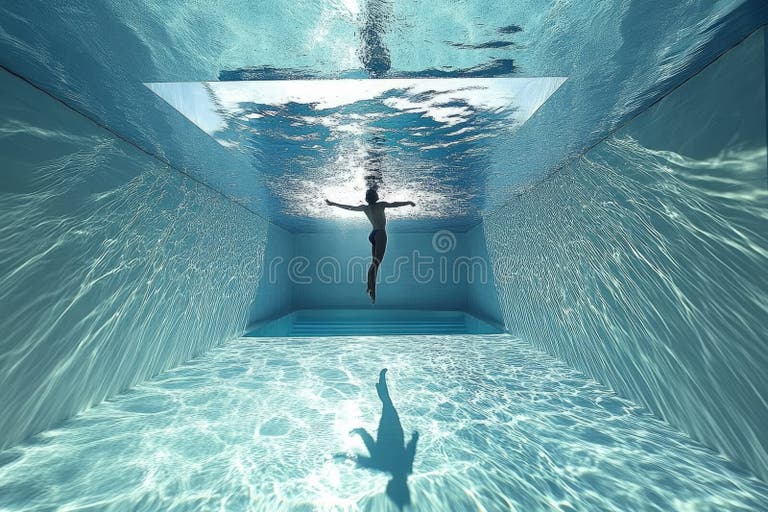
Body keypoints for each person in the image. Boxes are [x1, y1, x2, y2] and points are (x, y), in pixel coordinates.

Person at [338, 369, 419, 510]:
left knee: (388, 405)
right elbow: (362, 456)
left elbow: (410, 451)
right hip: (389, 431)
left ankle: (381, 384)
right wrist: (360, 434)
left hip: (393, 431)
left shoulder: (404, 468)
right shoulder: (382, 465)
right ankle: (381, 385)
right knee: (387, 405)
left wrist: (414, 439)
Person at [326, 189, 415, 303]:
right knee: (376, 264)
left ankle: (369, 285)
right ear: (376, 197)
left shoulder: (365, 208)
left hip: (373, 234)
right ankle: (372, 290)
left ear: (367, 199)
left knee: (374, 263)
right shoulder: (381, 205)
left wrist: (333, 204)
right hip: (380, 234)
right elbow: (395, 204)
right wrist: (409, 202)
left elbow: (349, 207)